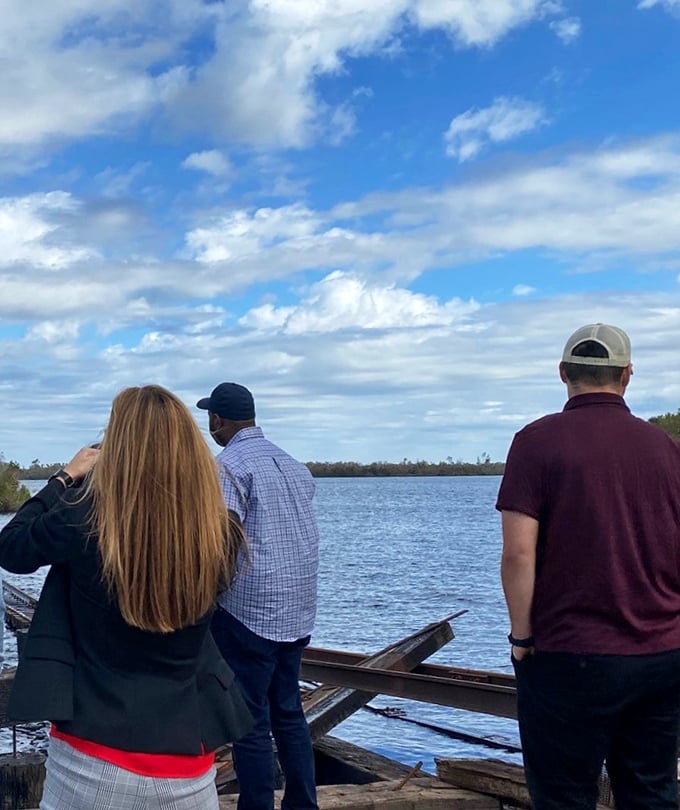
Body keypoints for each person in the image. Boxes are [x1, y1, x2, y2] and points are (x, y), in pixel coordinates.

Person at [0, 385, 253, 810]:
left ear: (116, 448)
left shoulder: (82, 522)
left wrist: (64, 478)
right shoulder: (221, 534)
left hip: (90, 762)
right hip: (189, 772)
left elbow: (12, 548)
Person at [496, 323, 680, 810]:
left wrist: (521, 638)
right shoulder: (666, 449)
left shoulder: (535, 442)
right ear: (627, 375)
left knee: (564, 798)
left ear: (563, 373)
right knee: (653, 792)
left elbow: (518, 553)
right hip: (662, 655)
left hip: (568, 655)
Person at [197, 382, 320, 810]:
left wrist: (204, 597)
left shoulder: (227, 466)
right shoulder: (293, 465)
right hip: (295, 613)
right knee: (289, 712)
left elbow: (226, 541)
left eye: (210, 417)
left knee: (248, 721)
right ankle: (304, 803)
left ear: (218, 420)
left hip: (249, 613)